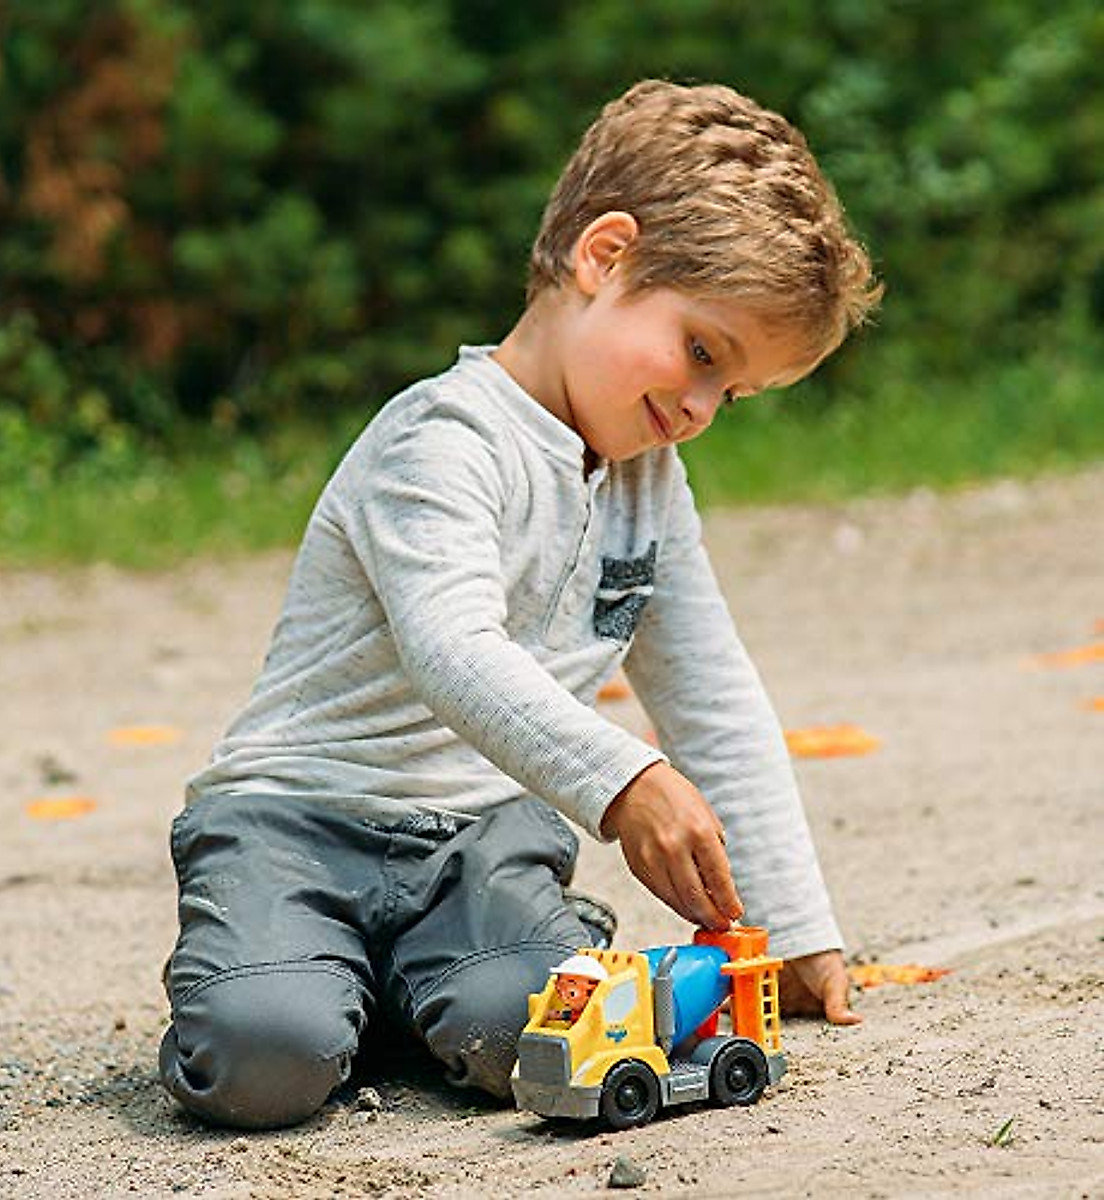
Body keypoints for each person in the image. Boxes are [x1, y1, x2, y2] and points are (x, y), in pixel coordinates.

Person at [159, 79, 882, 1130]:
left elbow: (710, 693)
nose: (697, 410)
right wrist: (624, 781)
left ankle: (407, 984)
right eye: (701, 352)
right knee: (267, 1061)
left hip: (477, 846)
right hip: (299, 821)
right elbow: (454, 650)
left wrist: (790, 924)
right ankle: (307, 979)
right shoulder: (441, 442)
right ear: (605, 257)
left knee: (549, 1040)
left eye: (734, 394)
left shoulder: (647, 486)